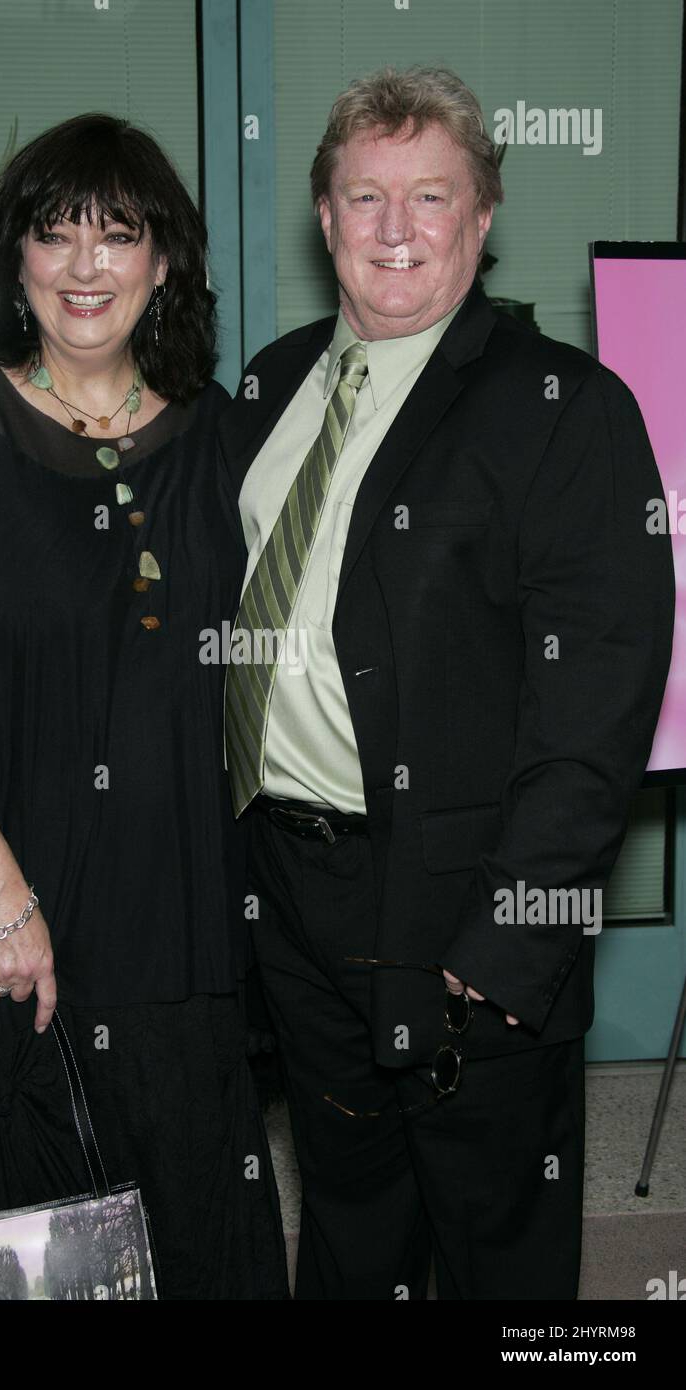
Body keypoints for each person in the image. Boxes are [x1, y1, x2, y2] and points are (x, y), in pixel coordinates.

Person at [219, 65, 675, 1300]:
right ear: (322, 217)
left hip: (459, 905)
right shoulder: (266, 388)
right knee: (353, 1218)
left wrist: (503, 941)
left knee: (494, 1250)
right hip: (293, 886)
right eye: (363, 197)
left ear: (482, 215)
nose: (395, 229)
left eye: (431, 196)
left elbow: (602, 696)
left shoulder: (563, 411)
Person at [0, 112, 289, 1301]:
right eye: (55, 233)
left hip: (169, 922)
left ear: (165, 262)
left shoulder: (226, 440)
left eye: (118, 234)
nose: (86, 265)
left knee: (184, 1224)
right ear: (14, 258)